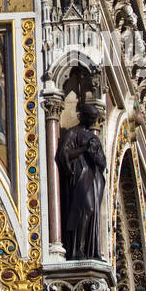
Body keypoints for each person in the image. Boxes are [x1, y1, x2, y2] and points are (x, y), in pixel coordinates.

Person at [57, 103, 107, 259]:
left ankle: (91, 250)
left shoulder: (94, 138)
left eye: (94, 118)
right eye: (90, 117)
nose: (92, 120)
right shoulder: (73, 133)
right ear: (82, 116)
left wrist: (94, 154)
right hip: (79, 177)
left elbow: (103, 163)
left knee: (93, 211)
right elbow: (63, 155)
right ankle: (77, 249)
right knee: (85, 209)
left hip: (94, 179)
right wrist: (84, 149)